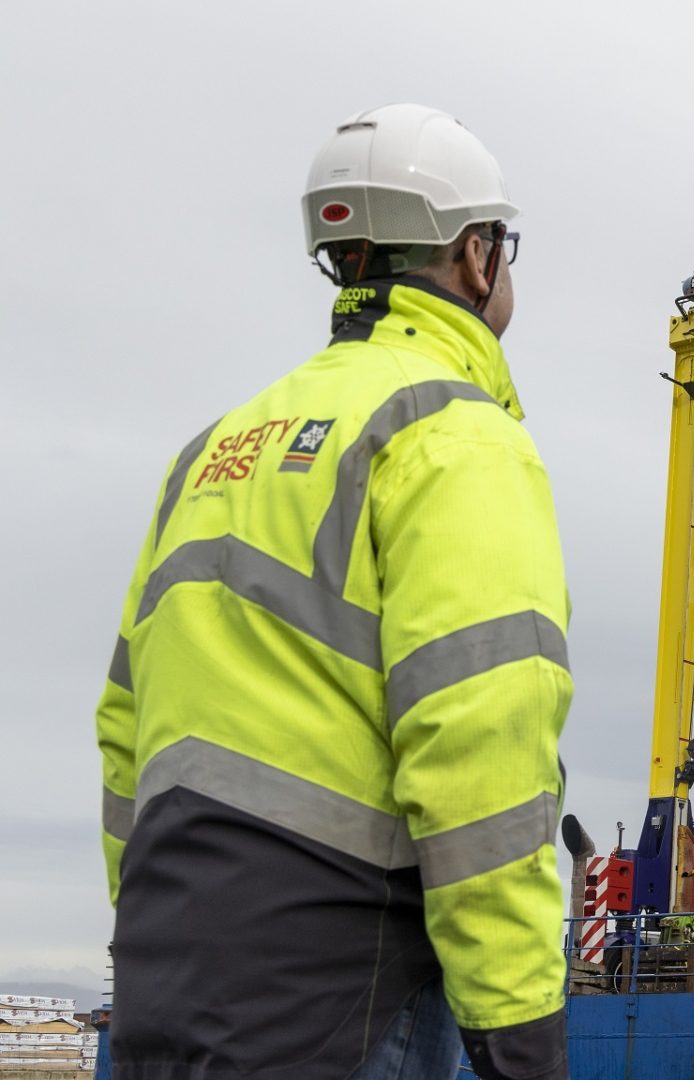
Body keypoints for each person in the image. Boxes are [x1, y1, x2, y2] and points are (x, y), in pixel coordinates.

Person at [94, 103, 571, 1079]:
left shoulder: (212, 453)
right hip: (350, 997)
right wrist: (520, 1034)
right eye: (504, 247)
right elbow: (481, 746)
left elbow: (123, 735)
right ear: (477, 257)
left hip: (170, 983)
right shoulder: (453, 433)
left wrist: (172, 937)